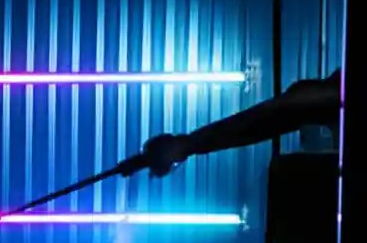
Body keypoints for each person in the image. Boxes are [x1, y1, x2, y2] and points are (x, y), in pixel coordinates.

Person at [140, 68, 342, 175]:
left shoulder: (307, 100)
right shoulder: (305, 100)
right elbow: (247, 126)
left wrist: (186, 146)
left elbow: (247, 125)